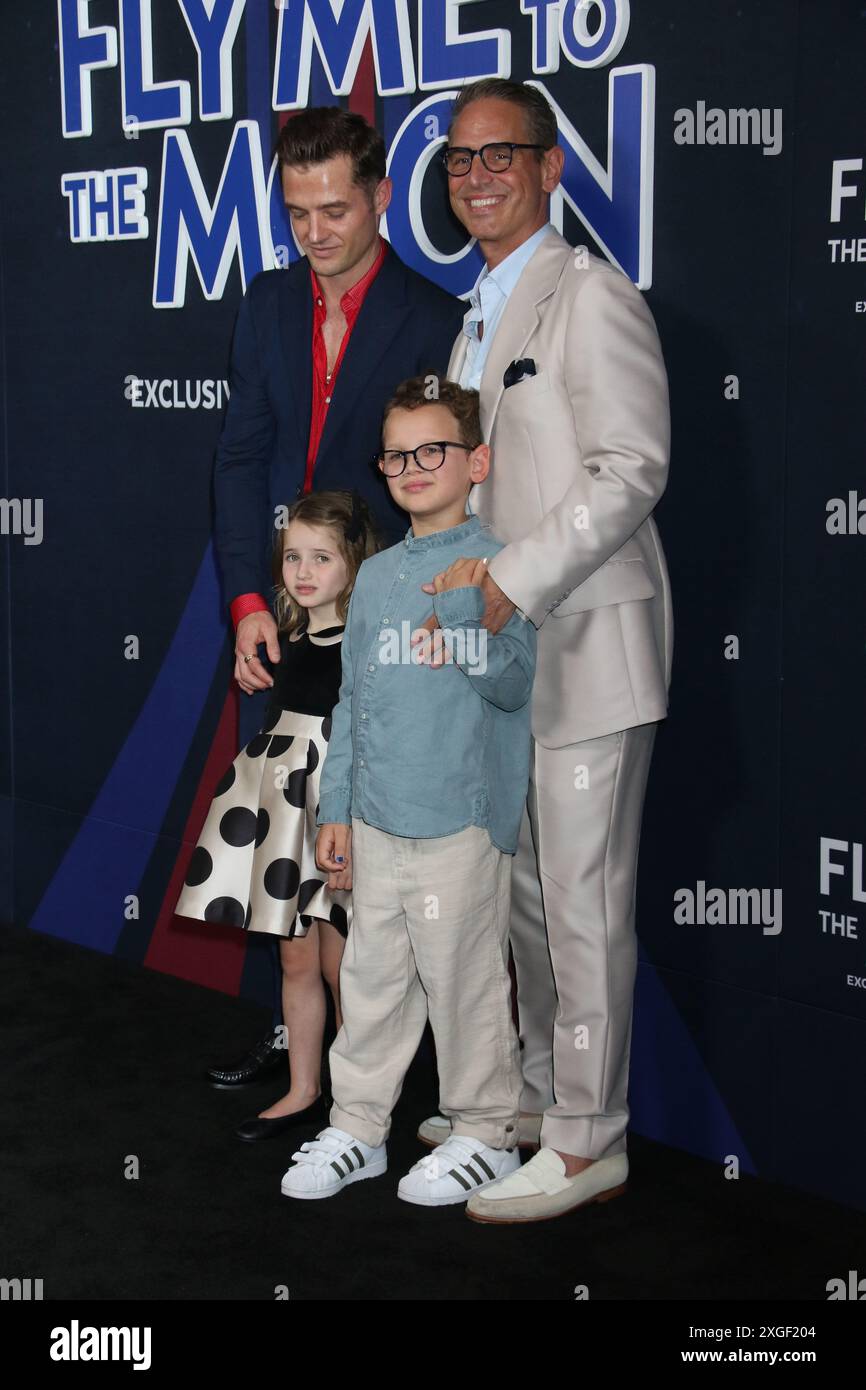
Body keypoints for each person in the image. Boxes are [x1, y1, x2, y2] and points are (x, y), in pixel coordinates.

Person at [415, 79, 673, 1222]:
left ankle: (587, 1140)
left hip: (586, 646)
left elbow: (631, 468)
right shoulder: (473, 309)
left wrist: (509, 583)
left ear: (548, 168)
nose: (476, 177)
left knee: (579, 899)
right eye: (460, 162)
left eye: (499, 156)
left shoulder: (591, 296)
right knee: (521, 896)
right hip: (501, 665)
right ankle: (531, 1100)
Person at [204, 107, 465, 1091]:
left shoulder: (436, 318)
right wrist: (246, 600)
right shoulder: (267, 303)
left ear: (381, 198)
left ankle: (388, 1066)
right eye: (296, 211)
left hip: (384, 638)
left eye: (333, 209)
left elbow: (441, 497)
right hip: (277, 623)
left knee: (374, 855)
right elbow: (237, 458)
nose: (314, 231)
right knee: (291, 851)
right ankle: (301, 1044)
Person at [279, 375, 538, 1206]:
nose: (413, 467)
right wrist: (340, 809)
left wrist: (465, 612)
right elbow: (355, 702)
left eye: (433, 450)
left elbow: (512, 688)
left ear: (477, 461)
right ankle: (358, 1127)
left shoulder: (503, 564)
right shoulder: (379, 575)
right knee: (374, 981)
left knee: (465, 983)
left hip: (460, 820)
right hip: (378, 823)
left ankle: (484, 1131)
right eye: (396, 455)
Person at [177, 490, 379, 1139]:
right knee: (295, 961)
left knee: (341, 964)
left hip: (337, 812)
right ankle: (302, 1088)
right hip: (282, 813)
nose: (303, 571)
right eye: (293, 556)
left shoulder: (367, 645)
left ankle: (357, 1102)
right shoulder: (284, 637)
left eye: (322, 556)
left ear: (355, 562)